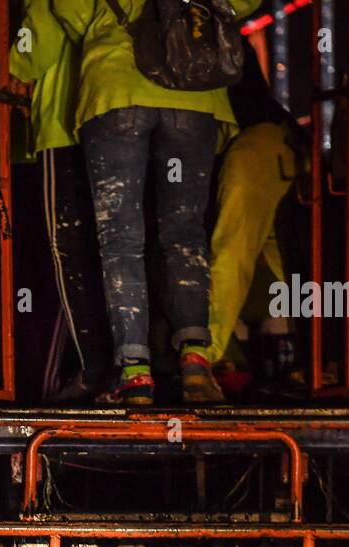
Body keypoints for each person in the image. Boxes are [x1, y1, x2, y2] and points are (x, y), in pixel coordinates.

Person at [52, 0, 260, 405]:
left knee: (121, 239)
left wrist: (103, 22)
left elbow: (68, 7)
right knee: (185, 232)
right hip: (193, 90)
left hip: (117, 84)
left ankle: (135, 375)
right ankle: (196, 364)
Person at [10, 0, 110, 402]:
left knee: (68, 255)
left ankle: (93, 370)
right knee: (117, 249)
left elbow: (26, 63)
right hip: (116, 123)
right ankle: (130, 368)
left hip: (64, 128)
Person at [203, 38, 306, 397]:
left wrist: (203, 354)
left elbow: (232, 252)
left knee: (222, 253)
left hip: (255, 147)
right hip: (276, 142)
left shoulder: (251, 149)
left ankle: (217, 357)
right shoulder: (273, 131)